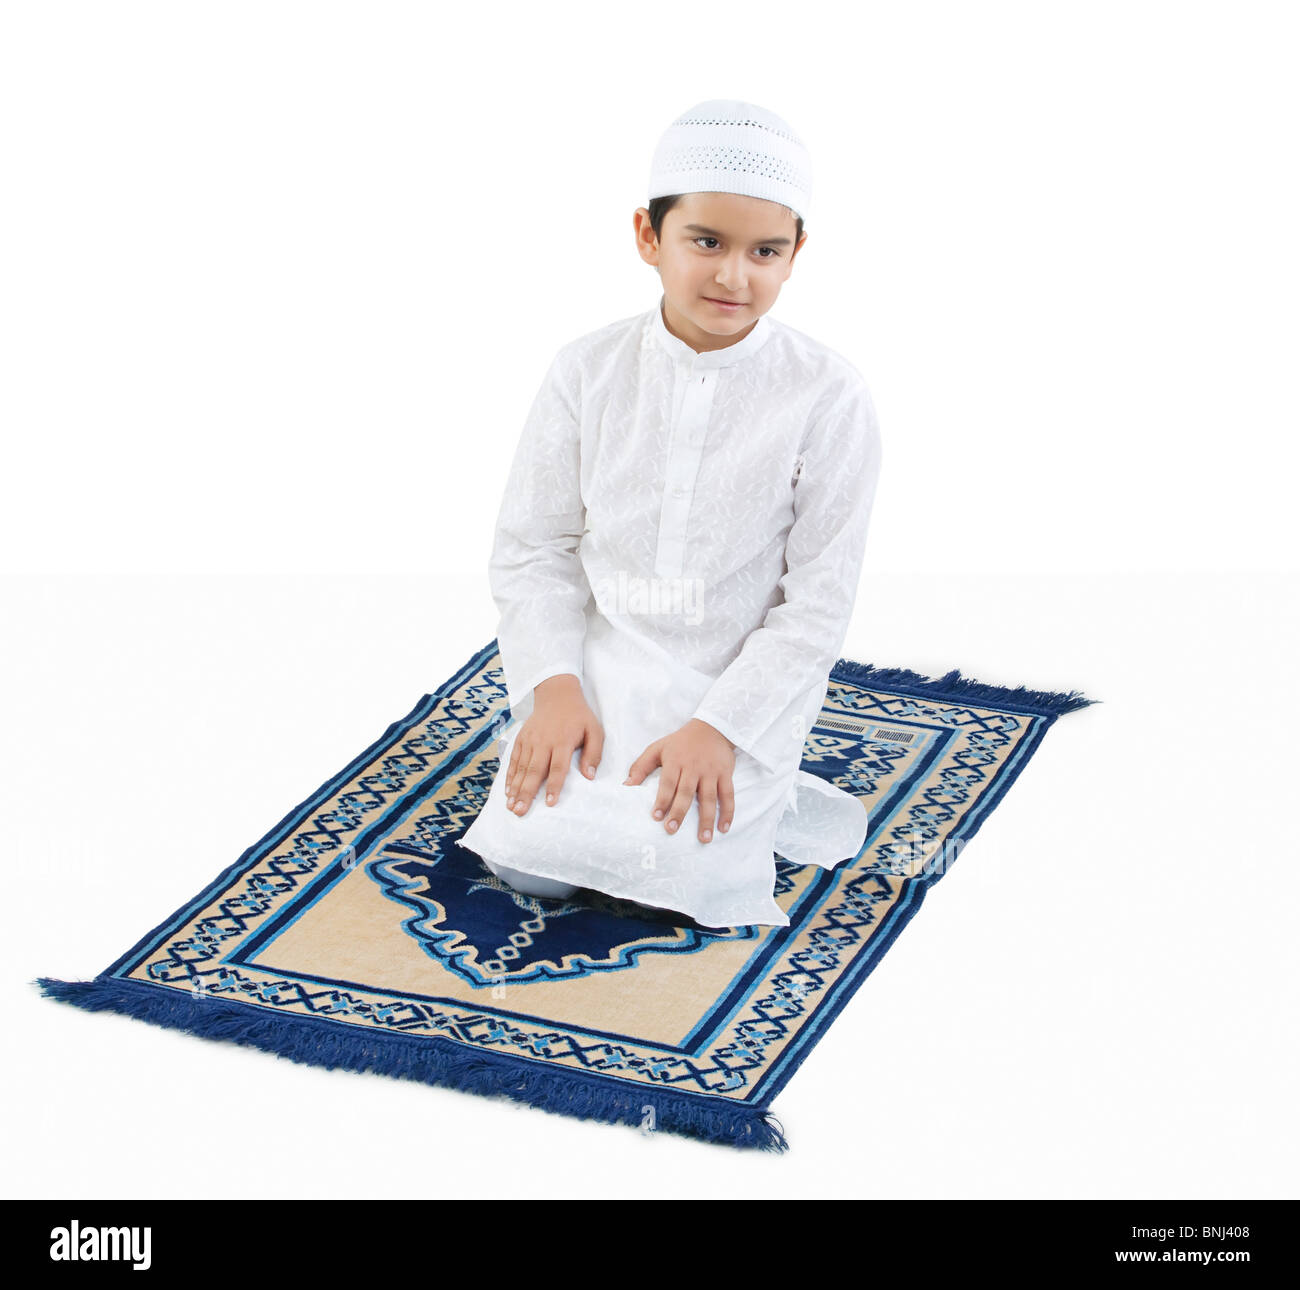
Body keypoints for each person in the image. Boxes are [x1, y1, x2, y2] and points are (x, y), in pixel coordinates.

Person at [458, 99, 884, 929]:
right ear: (648, 237)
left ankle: (751, 782)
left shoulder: (829, 397)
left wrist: (720, 729)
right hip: (601, 664)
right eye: (707, 243)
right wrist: (553, 689)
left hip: (735, 685)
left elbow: (819, 603)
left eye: (765, 251)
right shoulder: (586, 369)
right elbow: (531, 548)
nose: (734, 276)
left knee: (682, 882)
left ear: (798, 256)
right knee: (527, 868)